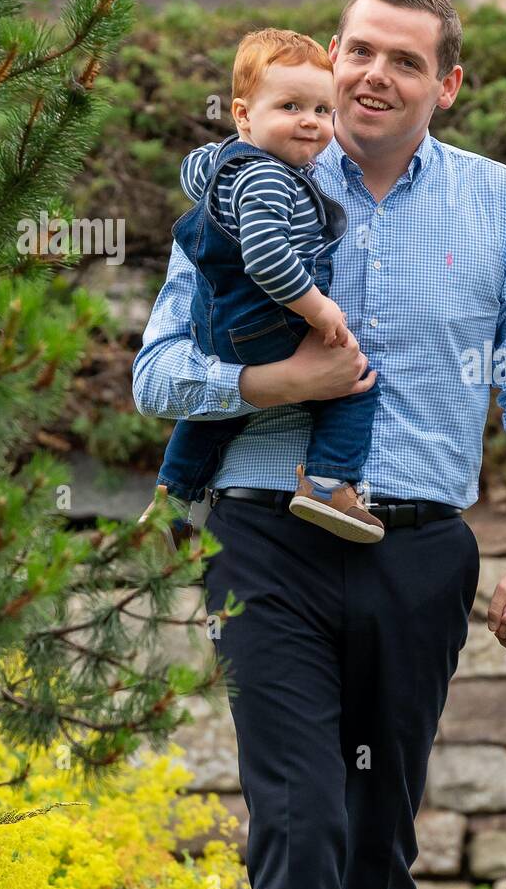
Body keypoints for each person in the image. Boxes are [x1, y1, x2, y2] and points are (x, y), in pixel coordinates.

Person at [132, 0, 506, 889]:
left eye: (406, 60)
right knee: (299, 816)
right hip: (264, 534)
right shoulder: (244, 186)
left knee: (378, 827)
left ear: (448, 85)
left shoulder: (501, 204)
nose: (375, 73)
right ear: (332, 57)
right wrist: (288, 384)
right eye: (360, 50)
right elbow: (158, 374)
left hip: (417, 551)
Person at [141, 27, 383, 547]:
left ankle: (173, 498)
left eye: (322, 110)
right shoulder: (271, 178)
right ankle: (326, 484)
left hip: (218, 330)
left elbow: (192, 170)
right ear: (244, 114)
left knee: (216, 416)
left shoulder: (222, 164)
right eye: (291, 106)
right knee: (355, 382)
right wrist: (319, 311)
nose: (309, 122)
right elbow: (268, 258)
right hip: (264, 321)